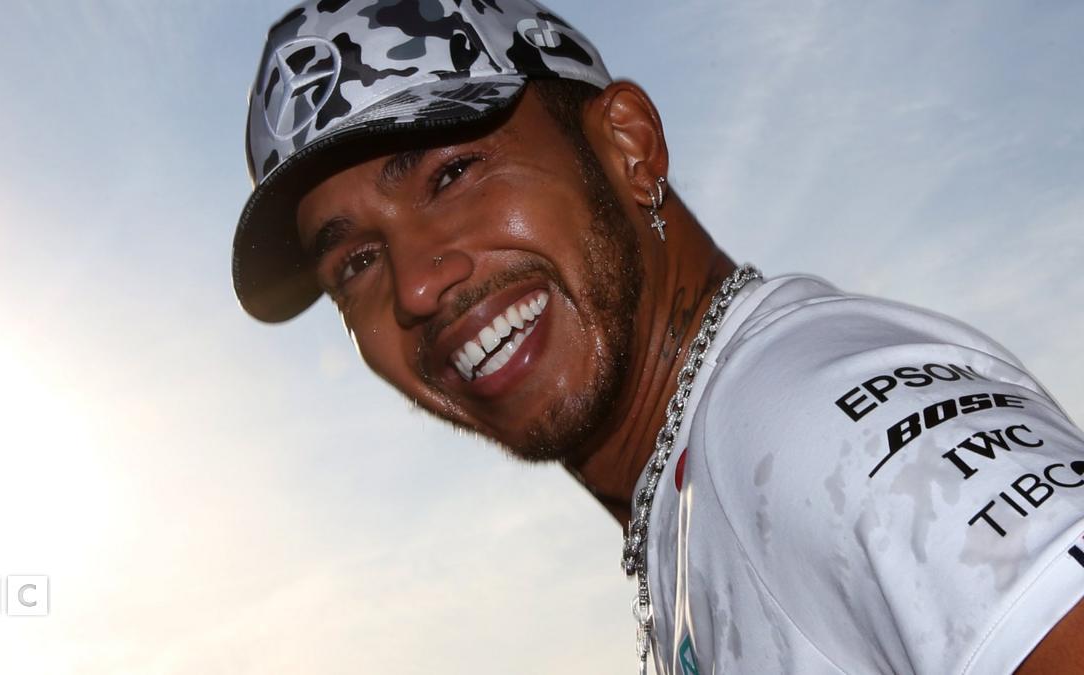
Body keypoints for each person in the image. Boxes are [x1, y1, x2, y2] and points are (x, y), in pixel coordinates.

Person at [230, 1, 1084, 672]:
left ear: (628, 145)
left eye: (452, 173)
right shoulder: (704, 480)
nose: (416, 284)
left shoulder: (815, 426)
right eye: (355, 263)